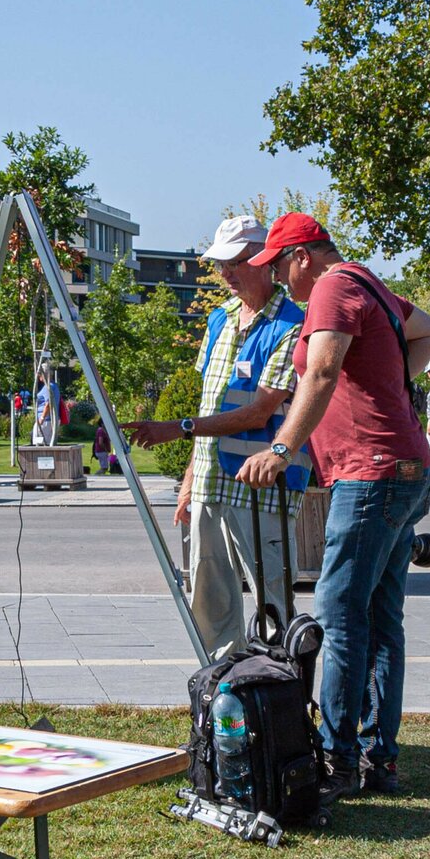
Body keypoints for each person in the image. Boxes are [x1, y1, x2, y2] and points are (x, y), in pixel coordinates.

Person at [235, 213, 430, 797]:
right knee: (379, 620)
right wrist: (388, 378)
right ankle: (382, 759)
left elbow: (321, 370)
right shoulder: (368, 282)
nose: (275, 280)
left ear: (301, 255)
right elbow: (428, 330)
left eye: (275, 266)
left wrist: (282, 447)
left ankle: (339, 760)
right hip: (403, 468)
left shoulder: (331, 286)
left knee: (339, 616)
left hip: (371, 473)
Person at [125, 213, 309, 661]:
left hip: (263, 489)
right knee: (208, 597)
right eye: (219, 264)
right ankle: (223, 688)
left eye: (234, 262)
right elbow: (212, 405)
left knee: (272, 599)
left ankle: (278, 687)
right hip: (211, 483)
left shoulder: (292, 325)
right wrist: (191, 479)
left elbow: (260, 410)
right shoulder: (219, 319)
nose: (224, 273)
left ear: (264, 260)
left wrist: (179, 428)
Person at [31, 368, 59, 446]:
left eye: (40, 374)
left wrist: (42, 418)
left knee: (39, 443)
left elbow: (48, 403)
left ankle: (41, 458)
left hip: (45, 421)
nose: (39, 376)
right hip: (50, 420)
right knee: (48, 443)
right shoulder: (54, 386)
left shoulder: (48, 387)